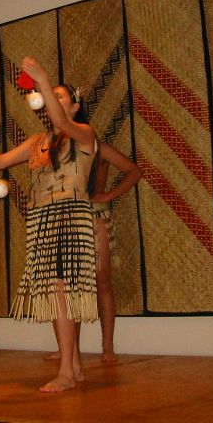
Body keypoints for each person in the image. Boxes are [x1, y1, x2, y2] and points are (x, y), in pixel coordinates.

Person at [0, 56, 98, 393]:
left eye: (60, 96)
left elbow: (61, 123)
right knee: (61, 293)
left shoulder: (82, 133)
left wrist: (40, 78)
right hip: (42, 219)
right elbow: (2, 160)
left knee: (62, 292)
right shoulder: (37, 141)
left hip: (69, 215)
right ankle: (75, 365)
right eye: (50, 94)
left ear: (75, 105)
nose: (52, 99)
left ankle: (67, 370)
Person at [46, 141, 142, 363]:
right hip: (63, 219)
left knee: (102, 281)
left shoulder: (99, 148)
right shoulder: (52, 148)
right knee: (64, 286)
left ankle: (107, 346)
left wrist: (108, 195)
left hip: (94, 217)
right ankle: (68, 349)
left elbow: (134, 171)